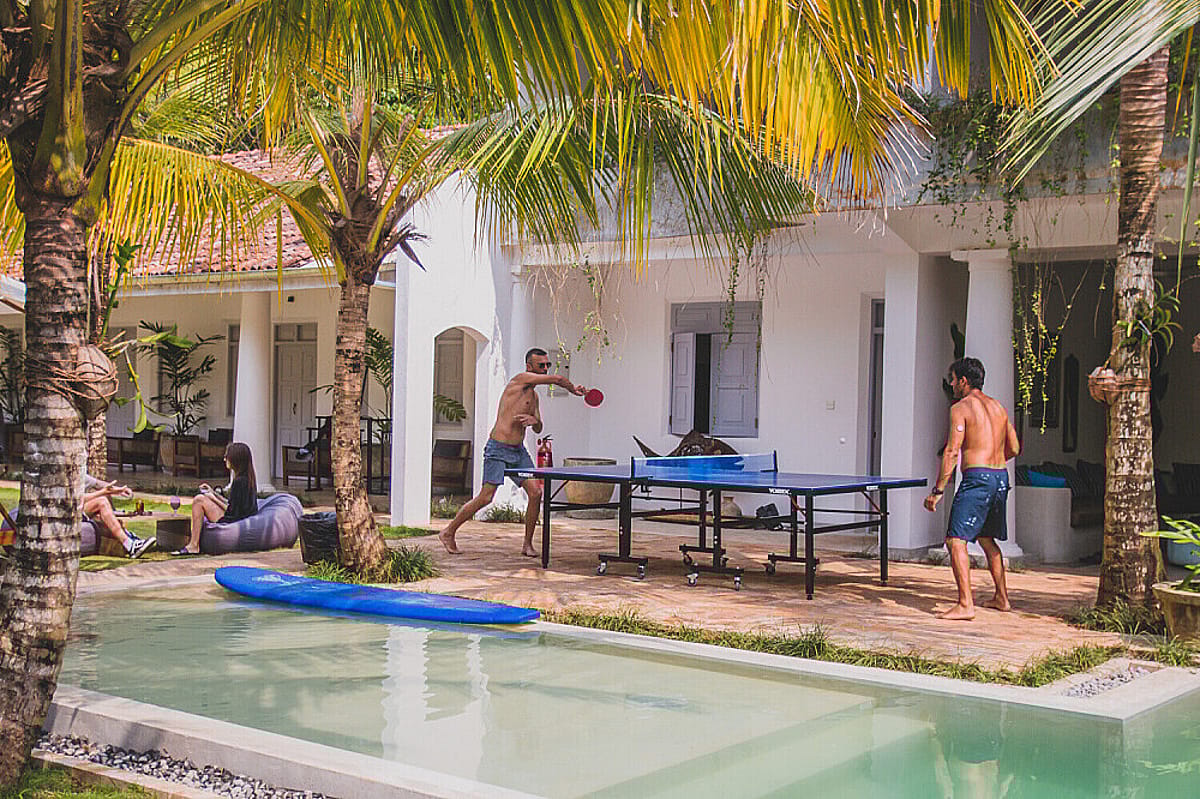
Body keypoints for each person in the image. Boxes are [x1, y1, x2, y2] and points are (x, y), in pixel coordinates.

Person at [439, 347, 586, 556]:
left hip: (519, 452)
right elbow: (558, 379)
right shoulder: (519, 380)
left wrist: (534, 420)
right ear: (529, 367)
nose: (545, 368)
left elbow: (538, 427)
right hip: (498, 449)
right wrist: (573, 389)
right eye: (541, 365)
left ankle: (527, 544)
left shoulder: (534, 397)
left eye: (548, 365)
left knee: (536, 493)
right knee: (486, 497)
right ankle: (448, 532)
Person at [923, 357, 1019, 620]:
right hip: (1000, 477)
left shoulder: (961, 408)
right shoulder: (999, 407)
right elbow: (1014, 448)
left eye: (953, 380)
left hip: (978, 479)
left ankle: (965, 604)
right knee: (987, 539)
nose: (952, 385)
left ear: (963, 381)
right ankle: (1002, 598)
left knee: (955, 540)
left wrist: (938, 491)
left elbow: (952, 451)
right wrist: (993, 462)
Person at [175, 442, 259, 555]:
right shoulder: (248, 478)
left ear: (236, 459)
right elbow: (232, 504)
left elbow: (231, 512)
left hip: (234, 521)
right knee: (203, 498)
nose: (224, 459)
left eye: (227, 456)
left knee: (199, 500)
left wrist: (213, 499)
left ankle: (194, 545)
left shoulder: (239, 482)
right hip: (241, 518)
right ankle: (193, 543)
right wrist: (213, 493)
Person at [82, 475, 155, 558]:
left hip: (79, 509)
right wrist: (103, 492)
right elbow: (76, 499)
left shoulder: (78, 472)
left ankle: (130, 538)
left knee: (104, 505)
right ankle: (130, 545)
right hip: (71, 511)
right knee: (101, 502)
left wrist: (119, 490)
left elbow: (97, 483)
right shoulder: (70, 476)